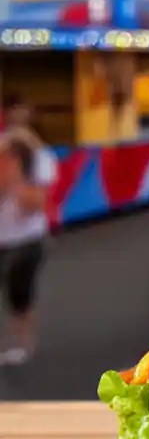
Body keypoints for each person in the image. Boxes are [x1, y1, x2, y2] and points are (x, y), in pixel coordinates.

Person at [0, 131, 57, 365]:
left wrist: (15, 180)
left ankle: (23, 343)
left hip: (27, 242)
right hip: (4, 241)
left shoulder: (33, 173)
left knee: (19, 292)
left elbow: (36, 206)